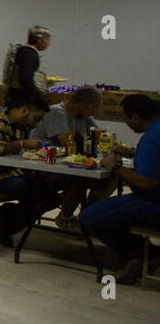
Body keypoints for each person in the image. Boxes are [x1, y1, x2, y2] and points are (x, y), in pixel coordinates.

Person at [81, 94, 160, 284]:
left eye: (125, 119)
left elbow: (146, 183)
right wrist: (133, 152)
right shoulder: (156, 131)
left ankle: (140, 254)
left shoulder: (152, 137)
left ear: (135, 117)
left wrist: (114, 167)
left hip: (154, 202)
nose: (127, 124)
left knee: (88, 217)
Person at [0, 90, 57, 248]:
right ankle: (4, 221)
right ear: (24, 111)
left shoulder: (17, 126)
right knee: (33, 192)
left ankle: (3, 218)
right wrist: (23, 144)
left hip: (11, 174)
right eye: (36, 119)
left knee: (51, 196)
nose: (37, 124)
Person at [31, 86, 106, 230]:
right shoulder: (56, 112)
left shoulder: (83, 116)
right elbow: (66, 141)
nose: (95, 112)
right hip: (43, 166)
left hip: (63, 165)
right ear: (85, 103)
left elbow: (99, 134)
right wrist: (92, 137)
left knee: (109, 180)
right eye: (94, 107)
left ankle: (88, 218)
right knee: (80, 179)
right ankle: (65, 217)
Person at [2, 25, 52, 95]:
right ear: (39, 39)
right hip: (24, 100)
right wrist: (38, 98)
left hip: (17, 96)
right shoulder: (29, 54)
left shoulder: (23, 52)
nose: (48, 43)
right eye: (47, 39)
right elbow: (26, 79)